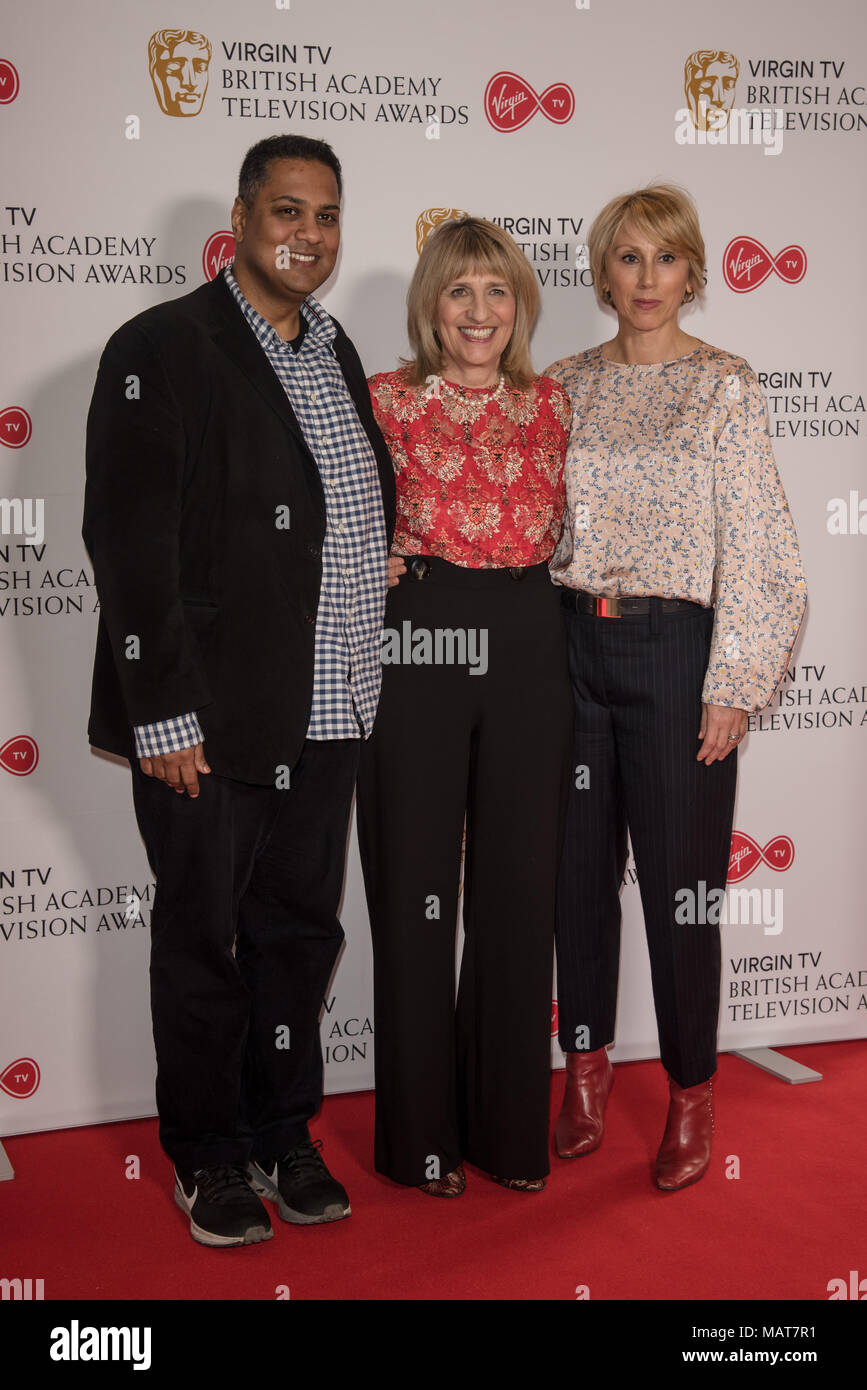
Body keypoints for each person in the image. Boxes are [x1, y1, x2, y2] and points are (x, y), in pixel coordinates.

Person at [83, 134, 395, 1246]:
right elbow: (129, 543)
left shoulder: (335, 349)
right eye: (287, 211)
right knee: (206, 940)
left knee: (299, 936)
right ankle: (207, 1152)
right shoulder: (162, 345)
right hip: (208, 721)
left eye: (326, 215)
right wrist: (162, 709)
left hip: (330, 706)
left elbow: (327, 509)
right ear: (241, 215)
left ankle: (281, 1129)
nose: (307, 235)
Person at [546, 184, 806, 1191]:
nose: (646, 278)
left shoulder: (724, 386)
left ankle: (692, 1092)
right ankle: (585, 1072)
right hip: (567, 650)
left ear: (692, 272)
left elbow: (762, 546)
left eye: (664, 259)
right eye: (627, 257)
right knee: (574, 886)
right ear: (602, 272)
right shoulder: (563, 383)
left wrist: (733, 678)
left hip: (676, 654)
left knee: (681, 893)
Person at [357, 216, 573, 1196]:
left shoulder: (559, 402)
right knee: (414, 886)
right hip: (420, 636)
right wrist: (369, 562)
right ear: (430, 306)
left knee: (520, 888)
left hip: (532, 634)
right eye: (459, 292)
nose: (479, 313)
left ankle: (507, 1132)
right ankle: (423, 1142)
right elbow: (318, 511)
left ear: (519, 304)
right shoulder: (385, 399)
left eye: (497, 292)